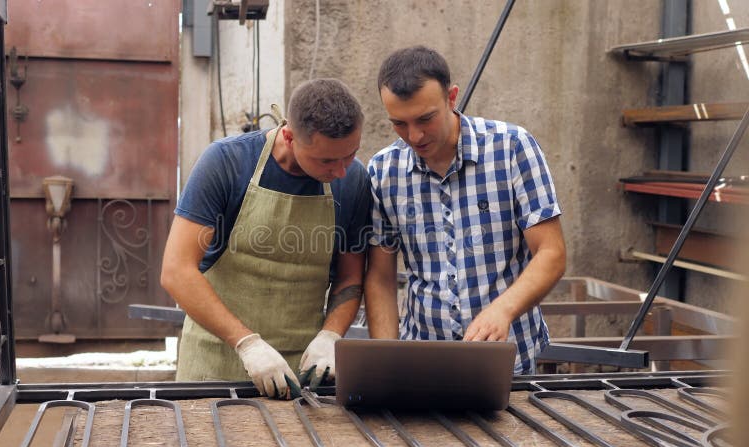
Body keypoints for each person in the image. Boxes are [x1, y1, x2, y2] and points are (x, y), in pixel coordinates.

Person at [161, 78, 371, 398]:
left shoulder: (353, 179)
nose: (341, 170)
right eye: (327, 161)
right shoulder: (226, 163)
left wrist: (330, 336)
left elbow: (350, 279)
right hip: (215, 364)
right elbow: (177, 271)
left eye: (350, 155)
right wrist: (248, 344)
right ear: (288, 136)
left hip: (301, 375)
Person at [364, 46, 566, 374]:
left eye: (425, 119)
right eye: (399, 124)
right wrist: (388, 357)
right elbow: (380, 277)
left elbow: (551, 253)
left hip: (508, 358)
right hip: (421, 359)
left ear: (452, 97)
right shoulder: (384, 170)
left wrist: (503, 310)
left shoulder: (512, 148)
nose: (414, 135)